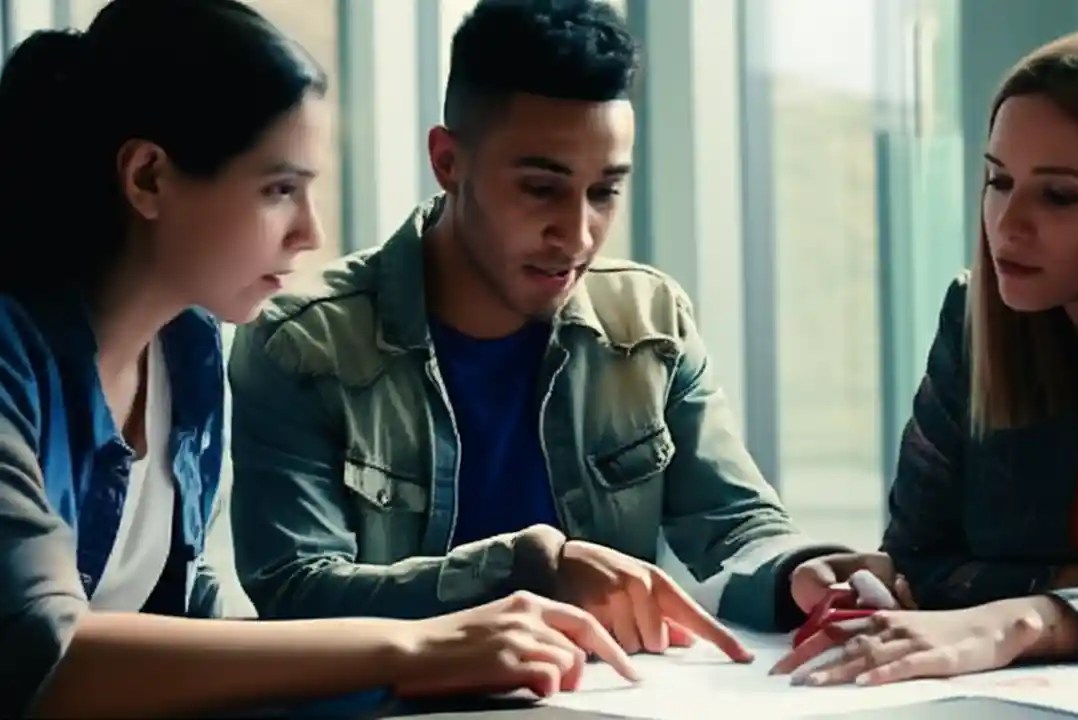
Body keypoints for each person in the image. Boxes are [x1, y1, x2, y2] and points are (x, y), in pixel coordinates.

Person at [0, 1, 638, 717]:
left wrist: (438, 669)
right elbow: (45, 657)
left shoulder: (188, 349)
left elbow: (174, 616)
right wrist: (419, 647)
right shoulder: (11, 363)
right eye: (280, 190)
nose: (311, 231)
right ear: (149, 178)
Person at [228, 0, 875, 658]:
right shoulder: (305, 344)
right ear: (448, 162)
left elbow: (736, 526)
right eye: (542, 189)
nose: (578, 235)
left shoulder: (649, 323)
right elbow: (297, 595)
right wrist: (533, 565)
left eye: (605, 192)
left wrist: (804, 570)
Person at [770, 27, 1078, 688]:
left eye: (1059, 195)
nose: (1007, 225)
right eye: (998, 180)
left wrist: (1017, 618)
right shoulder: (973, 319)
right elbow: (914, 562)